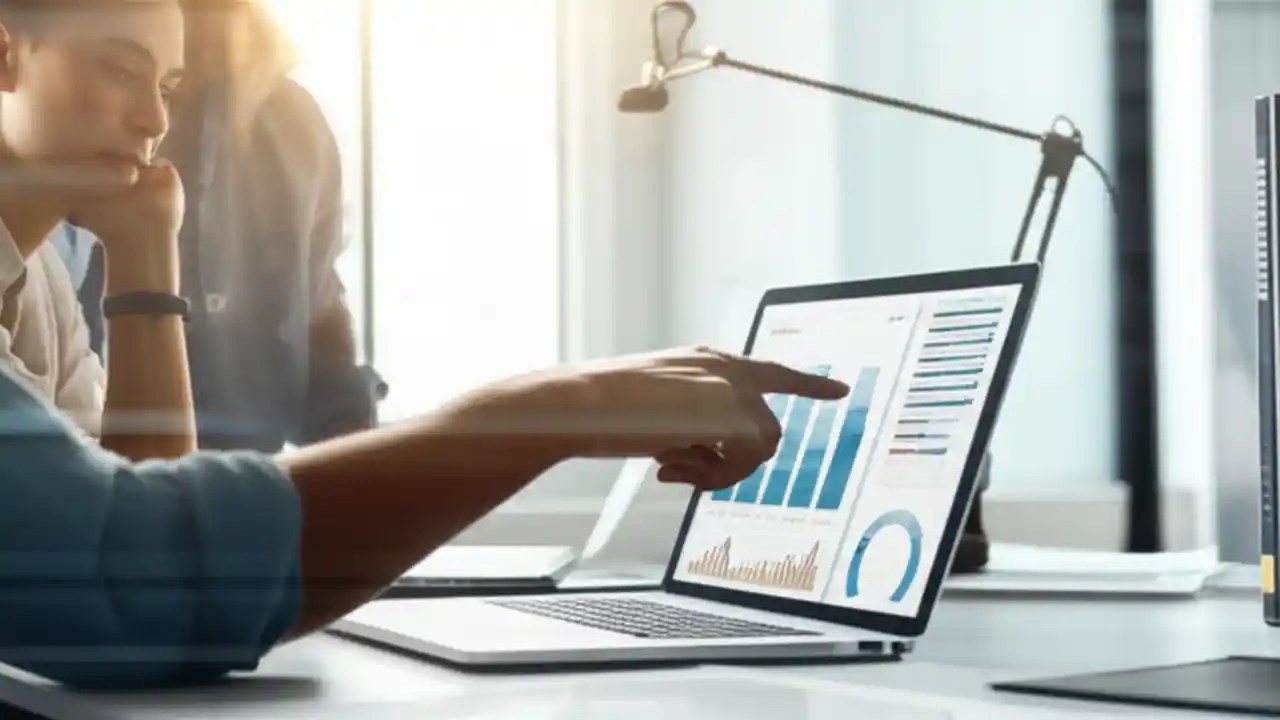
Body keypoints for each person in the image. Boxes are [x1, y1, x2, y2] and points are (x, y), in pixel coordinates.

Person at [0, 0, 850, 690]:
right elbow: (127, 588)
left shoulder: (40, 281)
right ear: (8, 55)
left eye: (168, 84)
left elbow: (142, 517)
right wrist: (549, 412)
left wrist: (148, 258)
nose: (154, 118)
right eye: (119, 68)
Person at [54, 0, 381, 452]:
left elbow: (321, 310)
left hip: (248, 490)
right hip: (78, 489)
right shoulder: (71, 116)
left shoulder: (295, 122)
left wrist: (365, 475)